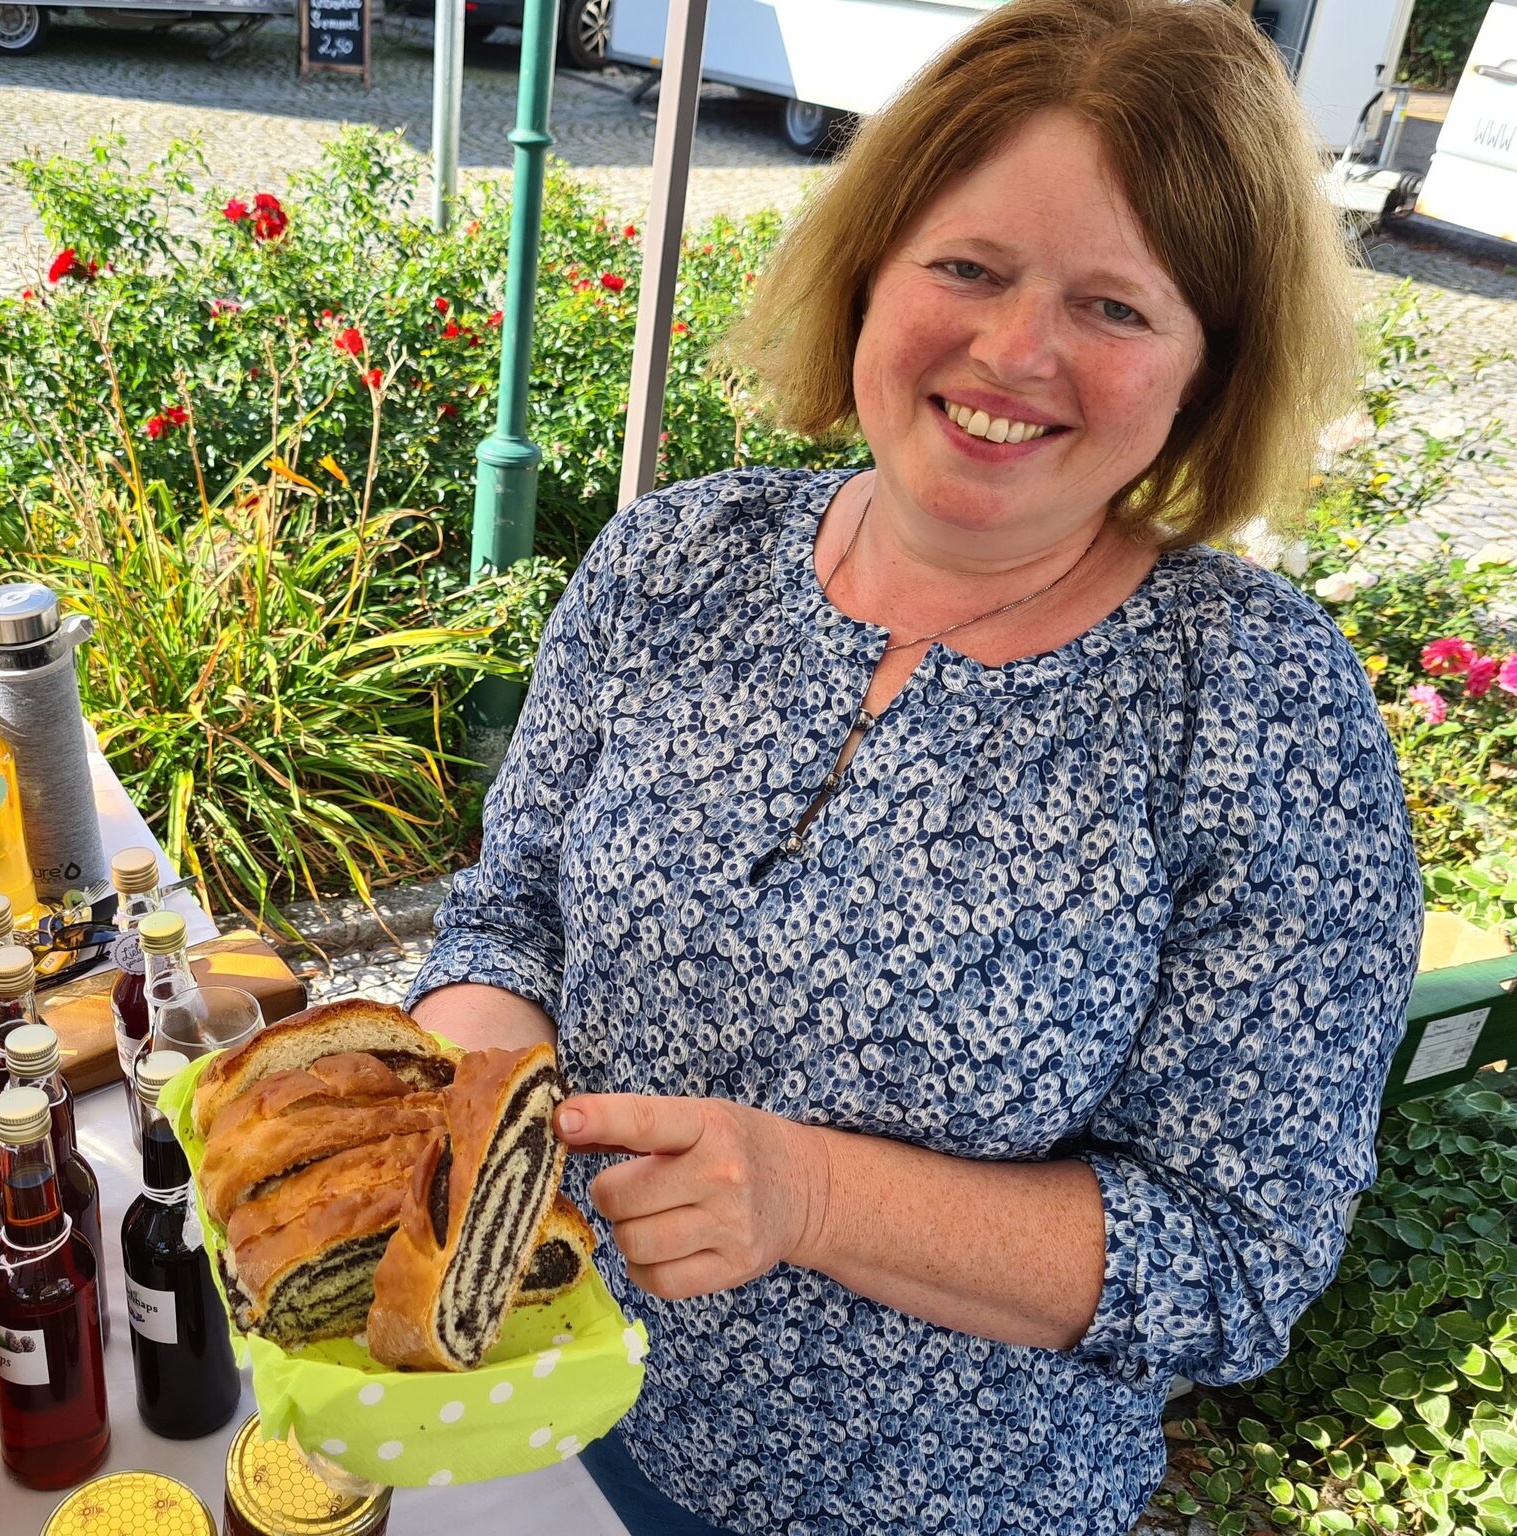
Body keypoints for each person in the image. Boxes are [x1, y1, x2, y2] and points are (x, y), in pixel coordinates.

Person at [405, 0, 1423, 1530]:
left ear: (1210, 367)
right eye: (969, 266)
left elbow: (1233, 1263)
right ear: (871, 264)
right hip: (552, 1406)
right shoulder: (676, 560)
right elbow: (511, 914)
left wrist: (805, 1195)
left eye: (1116, 308)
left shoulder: (1263, 711)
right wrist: (473, 1083)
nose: (1014, 352)